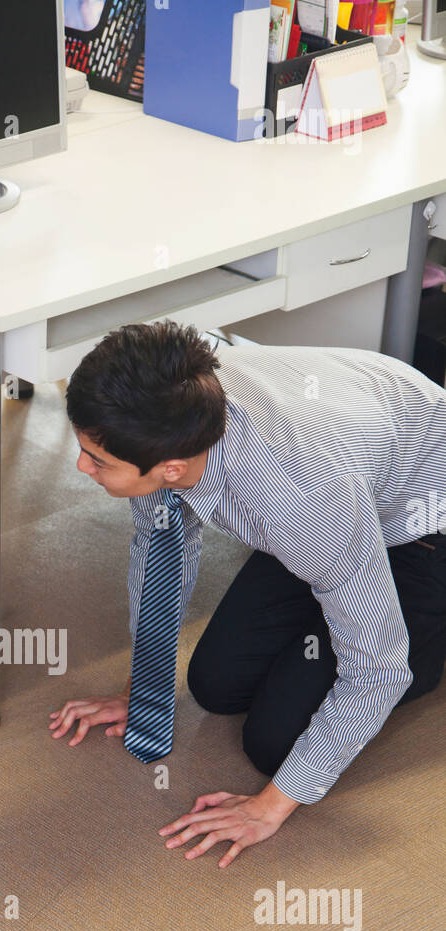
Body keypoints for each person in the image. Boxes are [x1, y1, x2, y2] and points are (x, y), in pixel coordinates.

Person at [50, 320, 446, 866]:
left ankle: (427, 630)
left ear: (170, 467)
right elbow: (161, 549)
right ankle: (334, 584)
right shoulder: (169, 413)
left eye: (98, 462)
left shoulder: (300, 493)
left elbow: (378, 667)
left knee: (274, 744)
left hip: (423, 528)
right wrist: (138, 690)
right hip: (341, 505)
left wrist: (269, 807)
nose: (81, 466)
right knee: (215, 685)